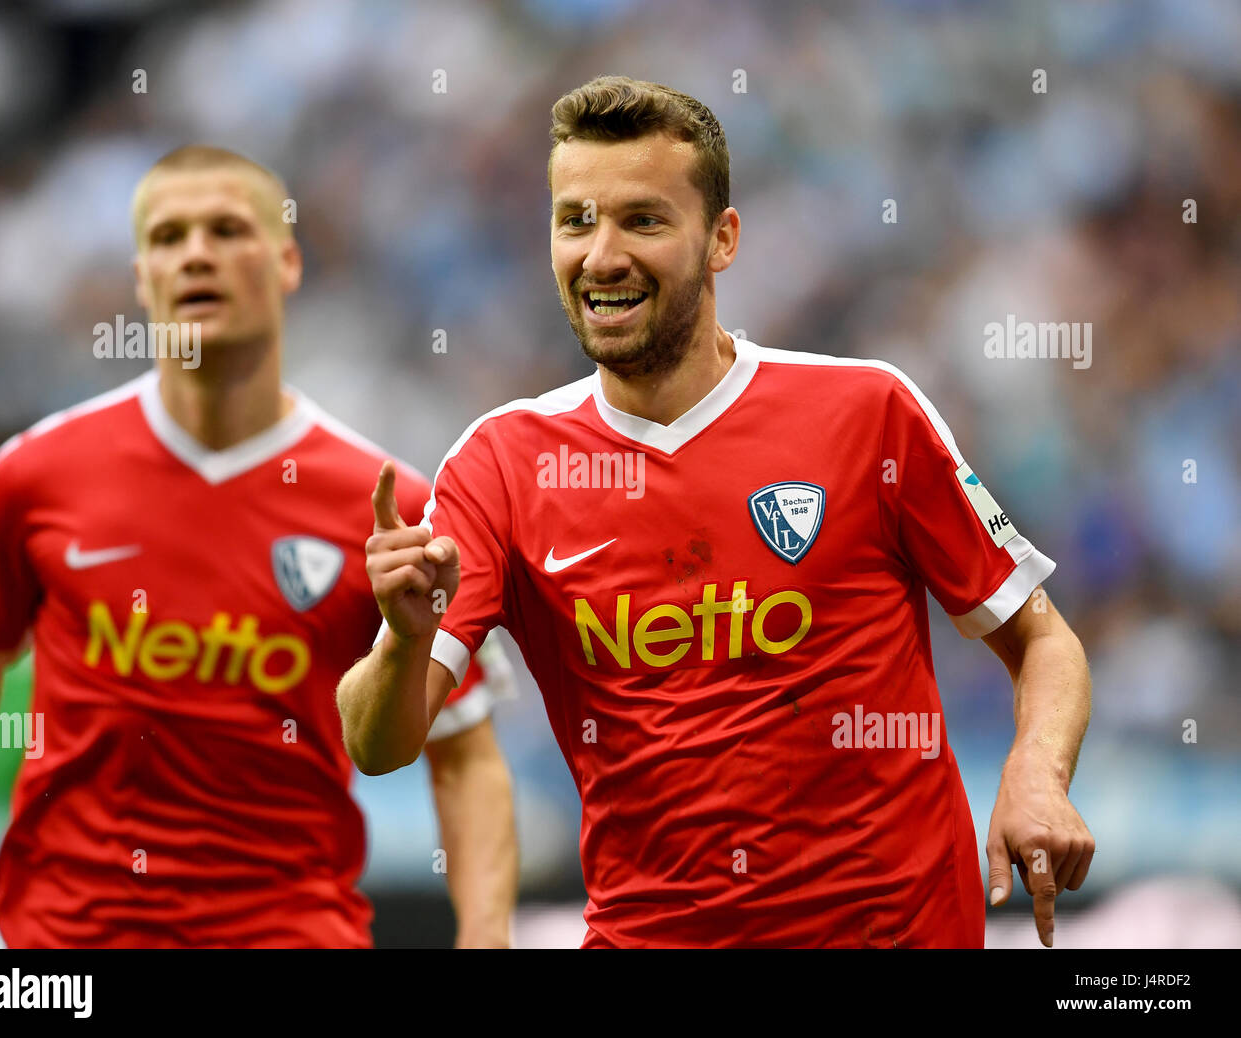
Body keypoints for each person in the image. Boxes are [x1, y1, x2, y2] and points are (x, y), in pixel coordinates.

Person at [340, 76, 1096, 949]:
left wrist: (1036, 774)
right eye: (576, 220)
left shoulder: (867, 412)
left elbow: (1042, 637)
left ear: (722, 239)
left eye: (644, 220)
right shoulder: (500, 465)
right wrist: (400, 639)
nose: (602, 254)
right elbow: (378, 743)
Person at [0, 146, 518, 949]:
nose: (197, 254)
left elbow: (464, 753)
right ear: (142, 281)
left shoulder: (392, 511)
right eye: (170, 237)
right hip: (66, 952)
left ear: (287, 262)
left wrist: (487, 935)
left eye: (226, 229)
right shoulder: (33, 476)